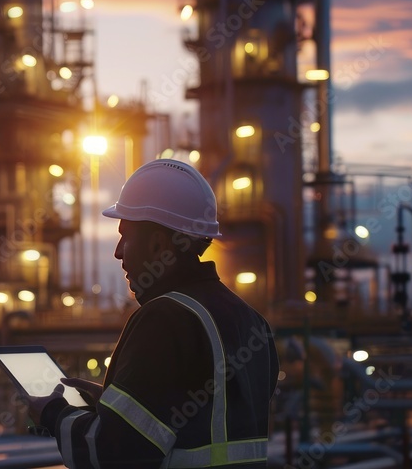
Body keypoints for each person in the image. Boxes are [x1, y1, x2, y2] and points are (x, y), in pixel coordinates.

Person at [27, 159, 279, 468]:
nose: (118, 252)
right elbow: (202, 423)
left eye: (126, 236)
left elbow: (114, 454)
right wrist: (114, 403)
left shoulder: (166, 318)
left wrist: (53, 413)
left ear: (159, 244)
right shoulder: (252, 322)